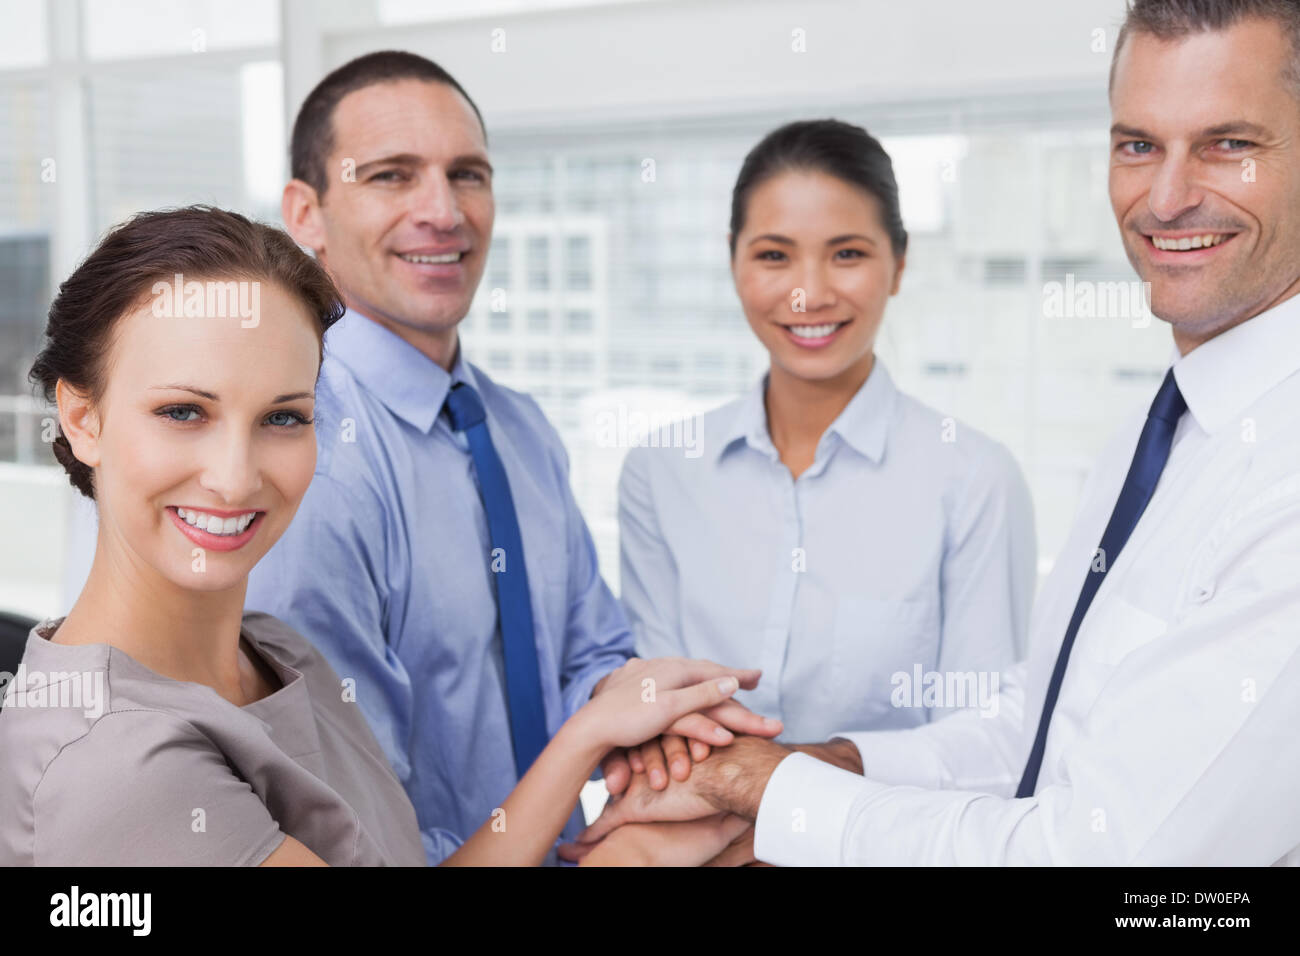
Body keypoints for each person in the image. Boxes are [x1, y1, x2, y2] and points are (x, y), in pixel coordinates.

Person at [572, 0, 1300, 866]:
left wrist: (764, 790)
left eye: (1229, 144)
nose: (1169, 196)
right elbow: (1034, 729)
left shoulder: (1269, 473)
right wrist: (814, 765)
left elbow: (1109, 859)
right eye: (1138, 144)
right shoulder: (1153, 441)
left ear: (899, 264)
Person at [0, 205, 760, 867]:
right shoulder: (118, 764)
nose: (235, 478)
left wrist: (589, 734)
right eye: (183, 412)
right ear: (81, 419)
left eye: (283, 417)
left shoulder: (278, 652)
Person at [243, 51, 778, 865]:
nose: (443, 211)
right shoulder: (303, 450)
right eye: (392, 176)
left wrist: (652, 724)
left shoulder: (517, 428)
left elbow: (586, 650)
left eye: (468, 175)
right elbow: (352, 824)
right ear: (306, 214)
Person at [618, 119, 1036, 769]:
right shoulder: (661, 472)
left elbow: (983, 748)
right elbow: (660, 722)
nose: (808, 293)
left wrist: (784, 785)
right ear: (734, 260)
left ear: (898, 263)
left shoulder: (974, 478)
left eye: (847, 254)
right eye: (774, 255)